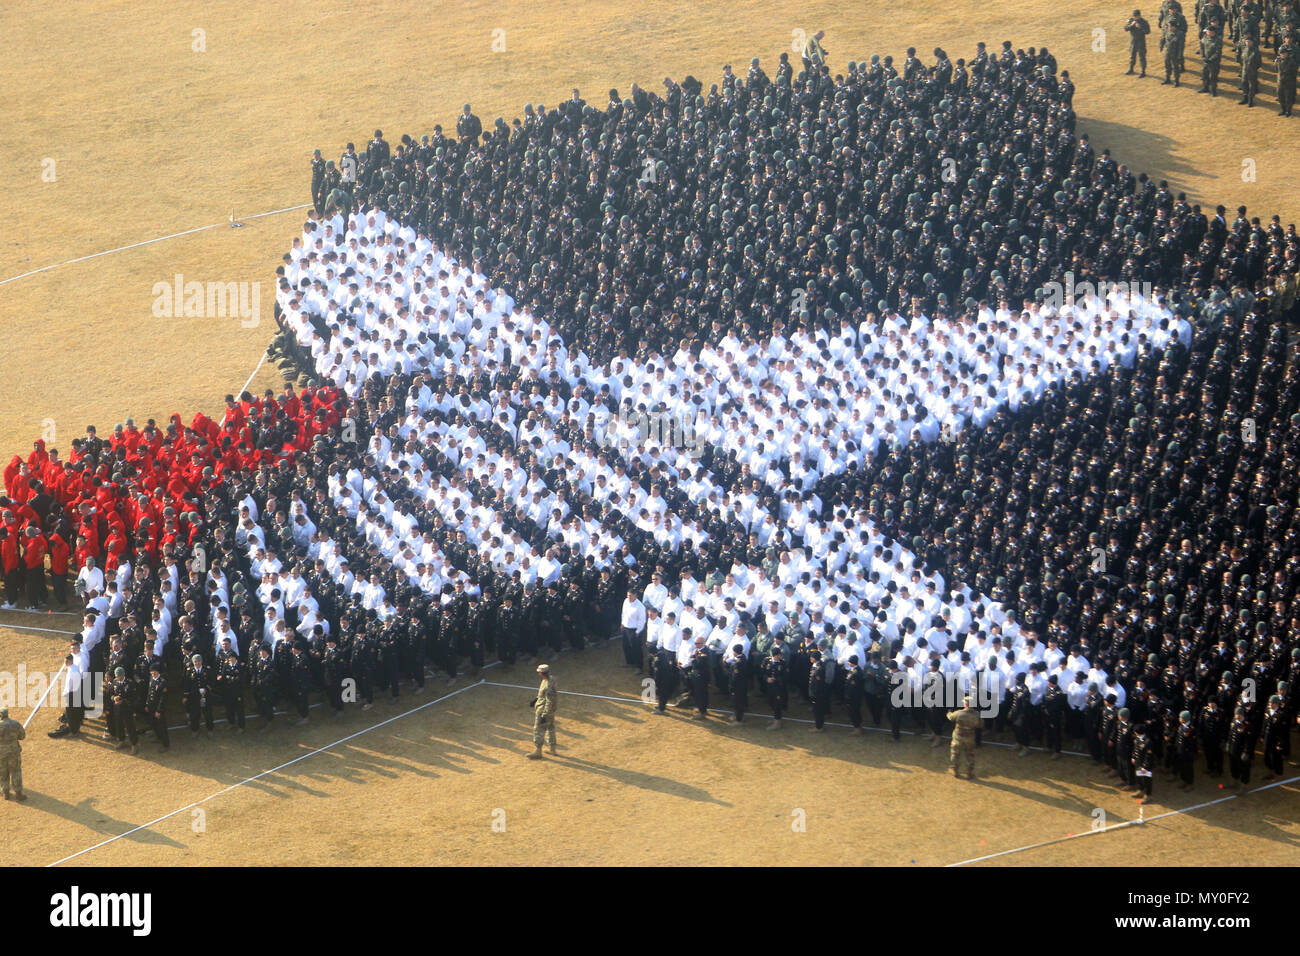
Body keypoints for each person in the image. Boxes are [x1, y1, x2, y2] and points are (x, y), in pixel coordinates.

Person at [946, 696, 982, 779]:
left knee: (955, 754)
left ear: (965, 704)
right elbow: (980, 725)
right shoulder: (977, 714)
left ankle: (955, 771)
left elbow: (951, 718)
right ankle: (969, 773)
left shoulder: (959, 713)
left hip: (958, 736)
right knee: (970, 754)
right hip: (970, 736)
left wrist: (949, 713)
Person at [528, 663, 557, 758]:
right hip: (550, 710)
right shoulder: (551, 679)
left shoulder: (547, 685)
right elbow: (543, 695)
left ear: (542, 673)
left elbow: (549, 700)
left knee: (538, 730)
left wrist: (544, 714)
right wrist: (537, 699)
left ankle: (538, 751)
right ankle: (552, 749)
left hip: (544, 710)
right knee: (551, 728)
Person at [761, 646, 787, 730]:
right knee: (770, 702)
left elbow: (786, 676)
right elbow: (762, 673)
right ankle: (775, 718)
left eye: (779, 655)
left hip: (778, 688)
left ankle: (777, 722)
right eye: (777, 655)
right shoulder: (767, 661)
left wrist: (776, 679)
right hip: (769, 687)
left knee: (777, 704)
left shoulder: (783, 663)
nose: (778, 657)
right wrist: (767, 679)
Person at [145, 662, 169, 751]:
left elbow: (163, 698)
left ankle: (165, 744)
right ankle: (158, 737)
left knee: (162, 726)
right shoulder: (152, 678)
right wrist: (147, 704)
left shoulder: (162, 682)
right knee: (154, 724)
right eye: (152, 672)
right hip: (151, 706)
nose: (153, 674)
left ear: (158, 672)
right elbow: (149, 692)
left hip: (158, 708)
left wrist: (159, 710)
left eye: (155, 672)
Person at [1126, 9, 1152, 75]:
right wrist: (1131, 25)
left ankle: (1143, 71)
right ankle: (1131, 69)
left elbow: (1148, 31)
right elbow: (1125, 28)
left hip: (1141, 42)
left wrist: (1140, 28)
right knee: (1132, 56)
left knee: (1142, 57)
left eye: (1137, 16)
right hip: (1133, 42)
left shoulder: (1144, 22)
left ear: (1140, 15)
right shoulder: (1131, 20)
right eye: (1135, 16)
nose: (1136, 18)